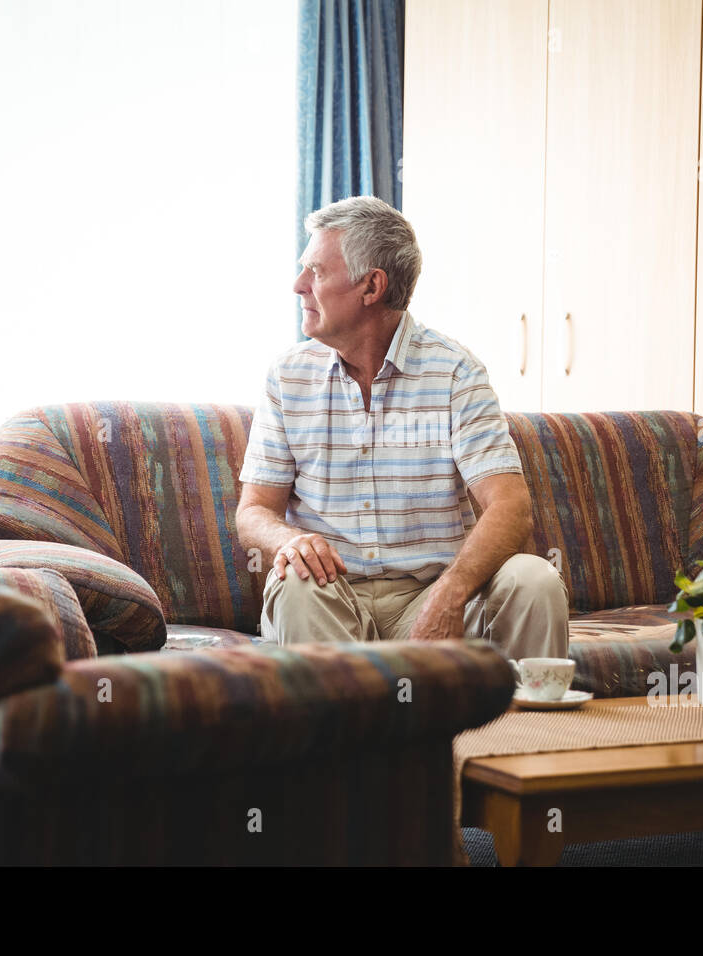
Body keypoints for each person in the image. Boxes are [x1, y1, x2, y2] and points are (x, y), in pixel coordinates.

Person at [236, 195, 568, 659]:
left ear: (371, 286)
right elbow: (252, 511)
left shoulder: (454, 372)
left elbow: (510, 507)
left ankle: (518, 732)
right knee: (297, 582)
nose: (298, 286)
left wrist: (449, 595)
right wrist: (289, 541)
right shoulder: (287, 376)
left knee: (533, 580)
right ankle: (344, 729)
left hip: (429, 596)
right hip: (329, 598)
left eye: (317, 271)